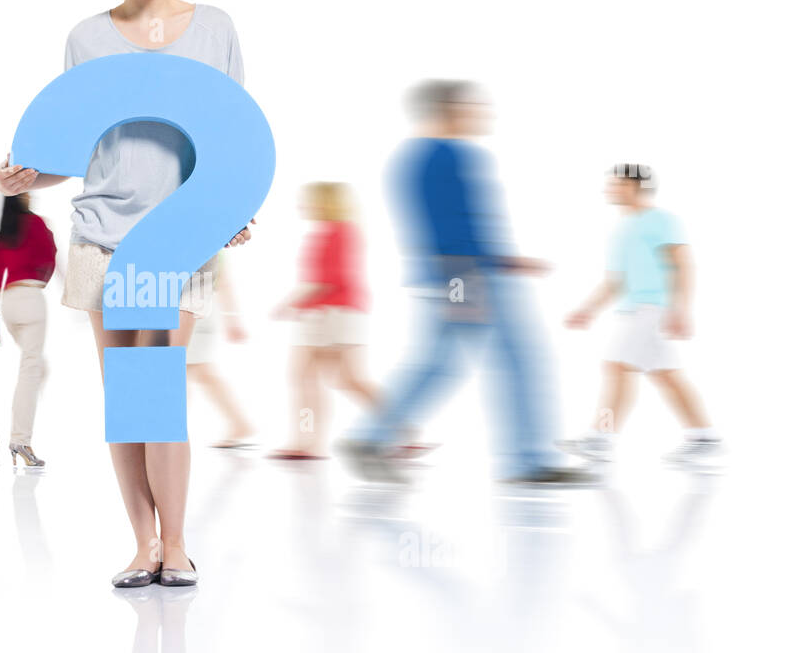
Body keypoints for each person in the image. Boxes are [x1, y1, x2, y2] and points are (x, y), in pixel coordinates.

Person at [0, 0, 254, 588]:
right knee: (130, 400)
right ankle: (144, 544)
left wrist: (236, 202)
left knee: (158, 390)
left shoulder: (215, 28)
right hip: (103, 234)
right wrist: (26, 177)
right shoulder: (87, 38)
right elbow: (82, 148)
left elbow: (231, 134)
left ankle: (177, 543)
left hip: (181, 233)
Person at [338, 81, 591, 485]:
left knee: (439, 364)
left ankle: (370, 436)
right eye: (473, 106)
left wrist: (499, 263)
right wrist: (473, 275)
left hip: (455, 271)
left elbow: (443, 223)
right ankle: (528, 460)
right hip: (468, 273)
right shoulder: (448, 153)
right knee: (519, 358)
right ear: (449, 107)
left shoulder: (413, 156)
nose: (480, 113)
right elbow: (457, 225)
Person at [562, 164, 721, 467]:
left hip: (654, 308)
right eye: (610, 185)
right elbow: (615, 281)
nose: (610, 190)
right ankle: (705, 438)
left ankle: (601, 438)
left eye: (617, 185)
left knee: (615, 366)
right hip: (634, 310)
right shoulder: (621, 229)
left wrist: (682, 308)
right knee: (666, 375)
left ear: (637, 186)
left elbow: (684, 264)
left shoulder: (662, 221)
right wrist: (587, 310)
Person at [269, 182, 380, 460]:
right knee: (347, 378)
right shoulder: (344, 230)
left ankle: (307, 441)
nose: (303, 206)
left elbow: (325, 279)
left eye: (308, 200)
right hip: (339, 313)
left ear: (324, 202)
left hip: (329, 314)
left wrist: (288, 303)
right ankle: (403, 429)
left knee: (305, 377)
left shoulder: (335, 232)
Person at [0, 193, 56, 466]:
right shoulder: (37, 223)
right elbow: (51, 259)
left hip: (10, 307)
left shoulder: (3, 233)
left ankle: (24, 423)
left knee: (36, 367)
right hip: (31, 299)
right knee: (30, 371)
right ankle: (20, 440)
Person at [185, 250, 255, 448]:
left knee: (183, 373)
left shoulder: (202, 246)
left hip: (195, 313)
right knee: (201, 373)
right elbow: (225, 283)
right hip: (202, 311)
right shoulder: (213, 245)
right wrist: (232, 319)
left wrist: (233, 319)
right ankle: (240, 423)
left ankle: (172, 430)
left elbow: (224, 282)